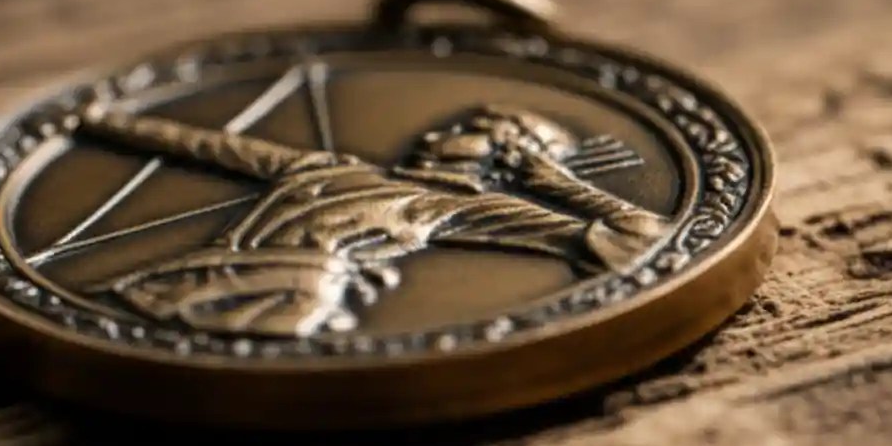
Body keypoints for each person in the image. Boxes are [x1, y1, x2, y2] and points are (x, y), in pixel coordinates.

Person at [77, 101, 669, 336]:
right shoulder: (325, 166)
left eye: (466, 132)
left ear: (511, 156)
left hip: (283, 307)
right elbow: (207, 146)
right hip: (181, 281)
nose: (437, 132)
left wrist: (560, 186)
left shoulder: (470, 209)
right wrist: (108, 123)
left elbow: (642, 244)